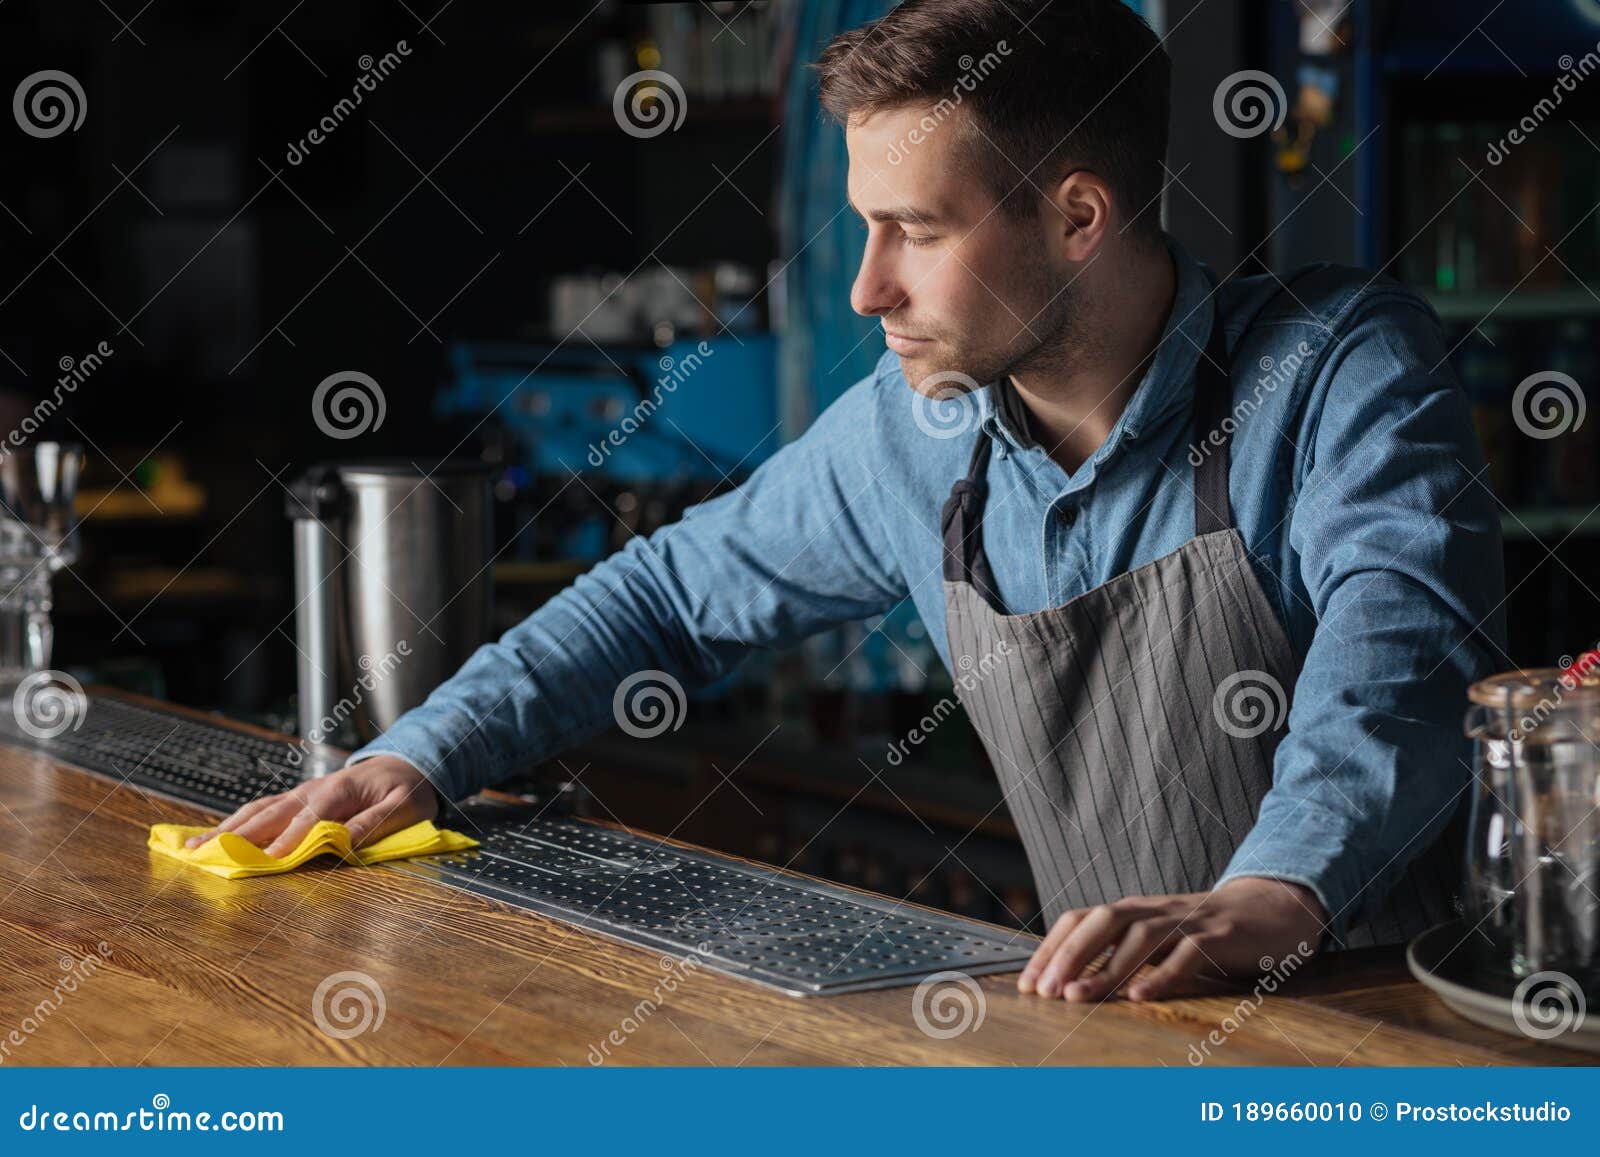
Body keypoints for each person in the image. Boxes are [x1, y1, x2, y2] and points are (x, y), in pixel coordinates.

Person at [190, 0, 1505, 1002]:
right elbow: (666, 594)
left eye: (916, 231)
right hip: (1120, 1033)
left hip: (1394, 1021)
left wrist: (1274, 892)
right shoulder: (917, 432)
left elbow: (1399, 657)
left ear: (1080, 215)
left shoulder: (1338, 368)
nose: (868, 288)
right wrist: (420, 752)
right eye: (865, 227)